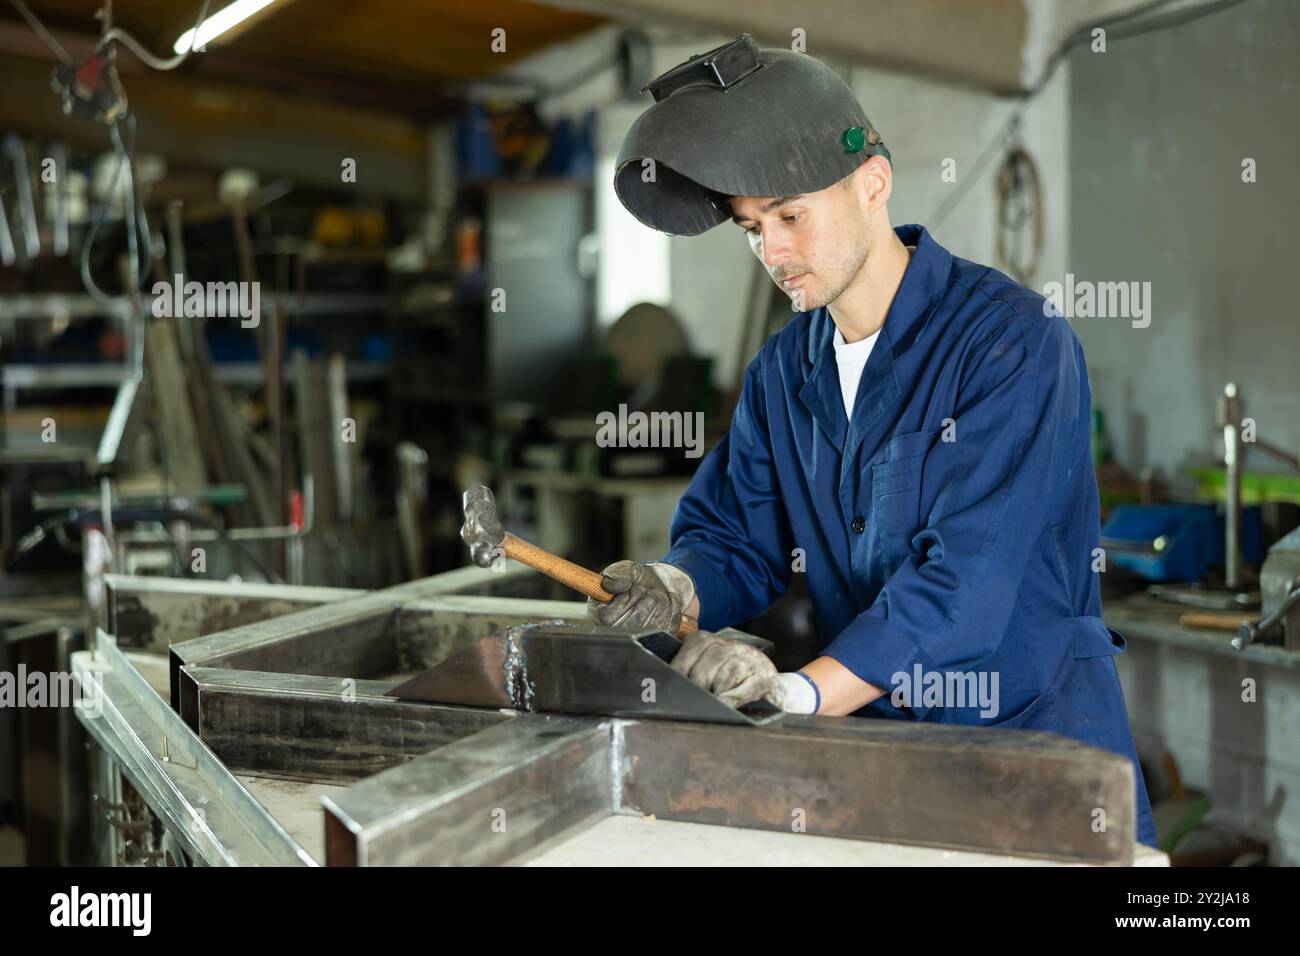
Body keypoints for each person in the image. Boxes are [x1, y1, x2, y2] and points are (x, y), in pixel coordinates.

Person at [588, 35, 1157, 848]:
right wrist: (677, 585)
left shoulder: (1013, 344)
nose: (773, 254)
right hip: (888, 757)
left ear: (872, 185)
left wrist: (797, 694)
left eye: (790, 217)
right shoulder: (784, 372)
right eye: (752, 230)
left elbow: (966, 584)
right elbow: (736, 536)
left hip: (1038, 757)